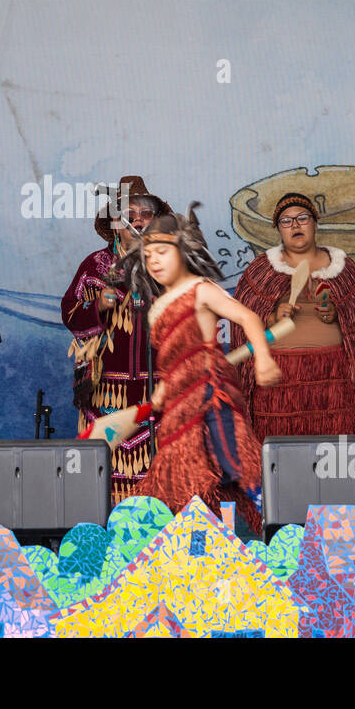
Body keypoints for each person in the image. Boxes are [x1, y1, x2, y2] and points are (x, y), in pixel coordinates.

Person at [111, 204, 279, 533]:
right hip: (177, 406)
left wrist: (264, 358)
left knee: (232, 465)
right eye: (148, 255)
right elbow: (168, 360)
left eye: (162, 251)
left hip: (210, 396)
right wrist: (160, 391)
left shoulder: (202, 290)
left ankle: (266, 520)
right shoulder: (156, 308)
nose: (154, 260)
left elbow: (248, 318)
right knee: (187, 482)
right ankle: (199, 547)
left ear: (184, 251)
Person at [232, 192, 355, 438]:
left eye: (302, 218)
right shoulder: (261, 271)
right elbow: (242, 324)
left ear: (315, 222)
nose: (295, 225)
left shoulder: (344, 268)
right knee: (283, 457)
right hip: (280, 382)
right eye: (286, 221)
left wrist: (339, 314)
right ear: (278, 229)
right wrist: (272, 318)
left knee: (334, 457)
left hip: (334, 379)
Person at [61, 176, 170, 503]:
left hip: (159, 390)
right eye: (128, 214)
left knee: (162, 481)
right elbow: (69, 314)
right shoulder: (95, 266)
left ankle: (160, 546)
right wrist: (99, 307)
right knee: (105, 482)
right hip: (107, 392)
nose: (137, 220)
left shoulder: (169, 263)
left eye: (145, 214)